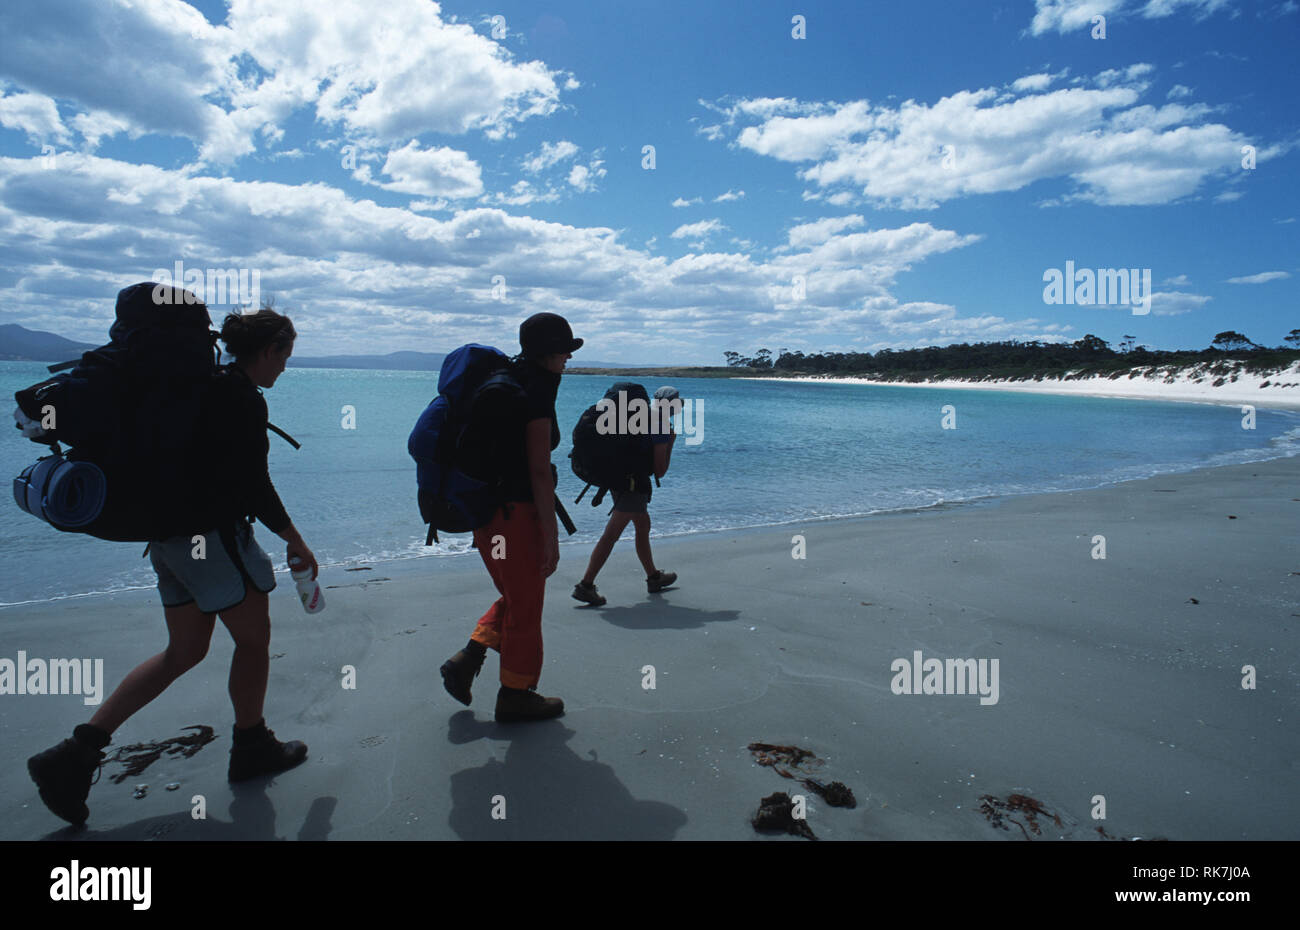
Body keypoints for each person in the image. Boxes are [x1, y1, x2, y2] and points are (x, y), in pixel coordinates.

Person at [26, 306, 318, 824]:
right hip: (211, 537)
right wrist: (295, 539)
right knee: (253, 641)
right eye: (286, 355)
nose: (285, 368)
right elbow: (254, 484)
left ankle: (75, 753)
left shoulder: (197, 388)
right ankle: (252, 746)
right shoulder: (238, 398)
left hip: (166, 538)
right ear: (269, 350)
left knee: (183, 651)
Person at [440, 312, 583, 722]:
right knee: (526, 609)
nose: (567, 361)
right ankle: (516, 695)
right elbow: (539, 469)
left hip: (486, 516)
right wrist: (551, 536)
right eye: (564, 353)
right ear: (549, 353)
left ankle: (466, 660)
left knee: (518, 598)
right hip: (515, 516)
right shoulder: (533, 393)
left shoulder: (504, 380)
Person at [571, 385, 678, 606]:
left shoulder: (638, 416)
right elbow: (660, 470)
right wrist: (670, 442)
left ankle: (654, 577)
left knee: (642, 524)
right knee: (611, 535)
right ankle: (585, 585)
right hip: (632, 483)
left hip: (618, 477)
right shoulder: (660, 425)